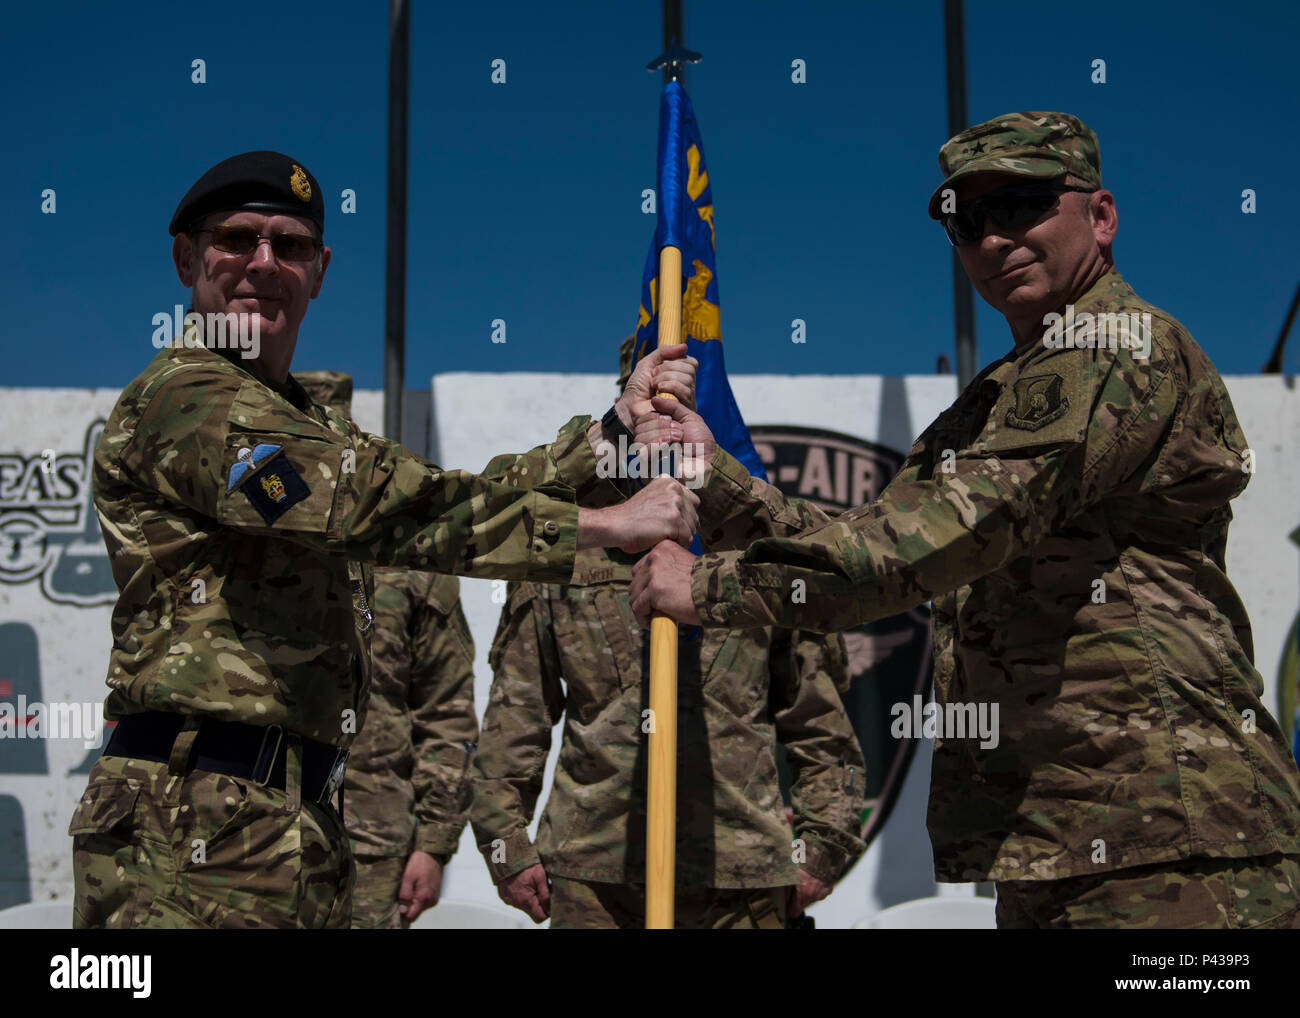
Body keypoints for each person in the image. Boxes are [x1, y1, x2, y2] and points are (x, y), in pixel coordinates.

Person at [630, 113, 1300, 929]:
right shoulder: (1002, 395)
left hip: (1171, 843)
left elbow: (942, 538)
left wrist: (708, 586)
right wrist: (715, 475)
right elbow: (890, 529)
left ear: (1102, 215)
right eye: (967, 219)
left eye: (1020, 204)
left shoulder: (1118, 348)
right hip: (1063, 836)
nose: (993, 238)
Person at [69, 150, 699, 929]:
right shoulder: (186, 399)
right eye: (237, 239)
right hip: (186, 826)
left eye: (290, 246)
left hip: (298, 827)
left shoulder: (315, 427)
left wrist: (613, 433)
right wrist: (604, 525)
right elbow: (369, 503)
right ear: (186, 258)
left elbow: (441, 491)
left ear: (320, 270)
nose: (263, 264)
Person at [470, 348, 866, 929]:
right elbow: (517, 716)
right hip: (593, 875)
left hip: (742, 878)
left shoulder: (761, 559)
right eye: (650, 406)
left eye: (679, 404)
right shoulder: (568, 550)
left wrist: (822, 851)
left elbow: (819, 726)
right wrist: (504, 846)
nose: (663, 424)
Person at [296, 371, 476, 930]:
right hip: (243, 841)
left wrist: (434, 843)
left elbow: (446, 712)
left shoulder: (410, 560)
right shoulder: (232, 554)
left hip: (372, 847)